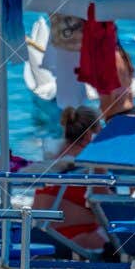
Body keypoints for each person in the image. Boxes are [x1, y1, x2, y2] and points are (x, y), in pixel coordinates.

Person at [29, 106, 107, 251]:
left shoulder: (53, 159)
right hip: (74, 240)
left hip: (39, 236)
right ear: (91, 134)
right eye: (100, 128)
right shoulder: (91, 163)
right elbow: (108, 209)